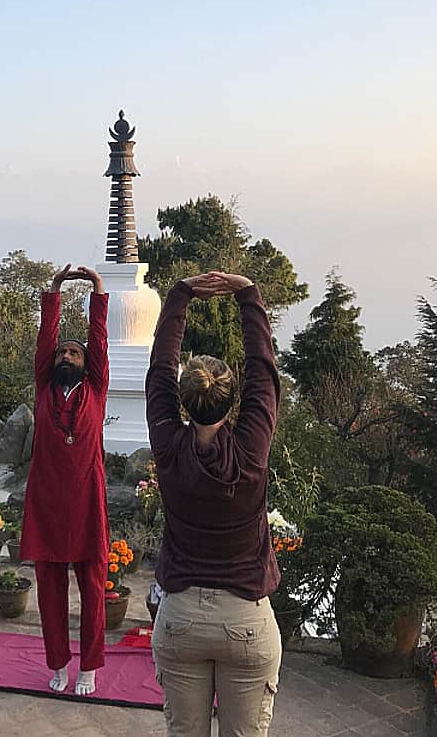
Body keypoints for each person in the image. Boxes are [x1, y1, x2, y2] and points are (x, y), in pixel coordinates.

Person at [146, 271, 283, 737]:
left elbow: (160, 371)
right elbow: (264, 372)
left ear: (184, 401)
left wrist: (179, 295)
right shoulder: (250, 449)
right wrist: (248, 292)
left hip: (180, 615)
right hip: (246, 617)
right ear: (230, 402)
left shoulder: (168, 444)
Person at [18, 264, 110, 696]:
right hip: (47, 502)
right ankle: (57, 662)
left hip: (87, 501)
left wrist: (97, 290)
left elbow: (100, 341)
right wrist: (53, 291)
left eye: (74, 353)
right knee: (49, 592)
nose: (66, 357)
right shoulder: (43, 388)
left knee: (92, 589)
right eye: (62, 354)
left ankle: (90, 667)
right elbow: (45, 341)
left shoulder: (96, 387)